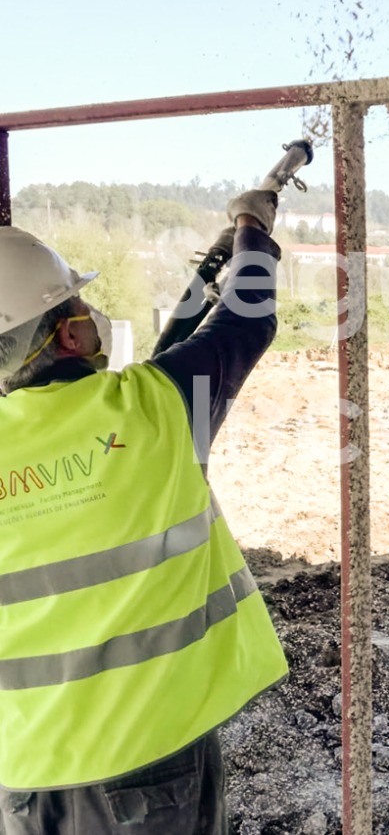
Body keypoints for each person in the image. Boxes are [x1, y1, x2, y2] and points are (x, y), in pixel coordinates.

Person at [0, 189, 289, 834]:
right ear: (69, 333)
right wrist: (252, 227)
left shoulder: (150, 402)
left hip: (22, 775)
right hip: (149, 765)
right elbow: (246, 320)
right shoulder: (156, 409)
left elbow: (181, 350)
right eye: (79, 307)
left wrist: (211, 267)